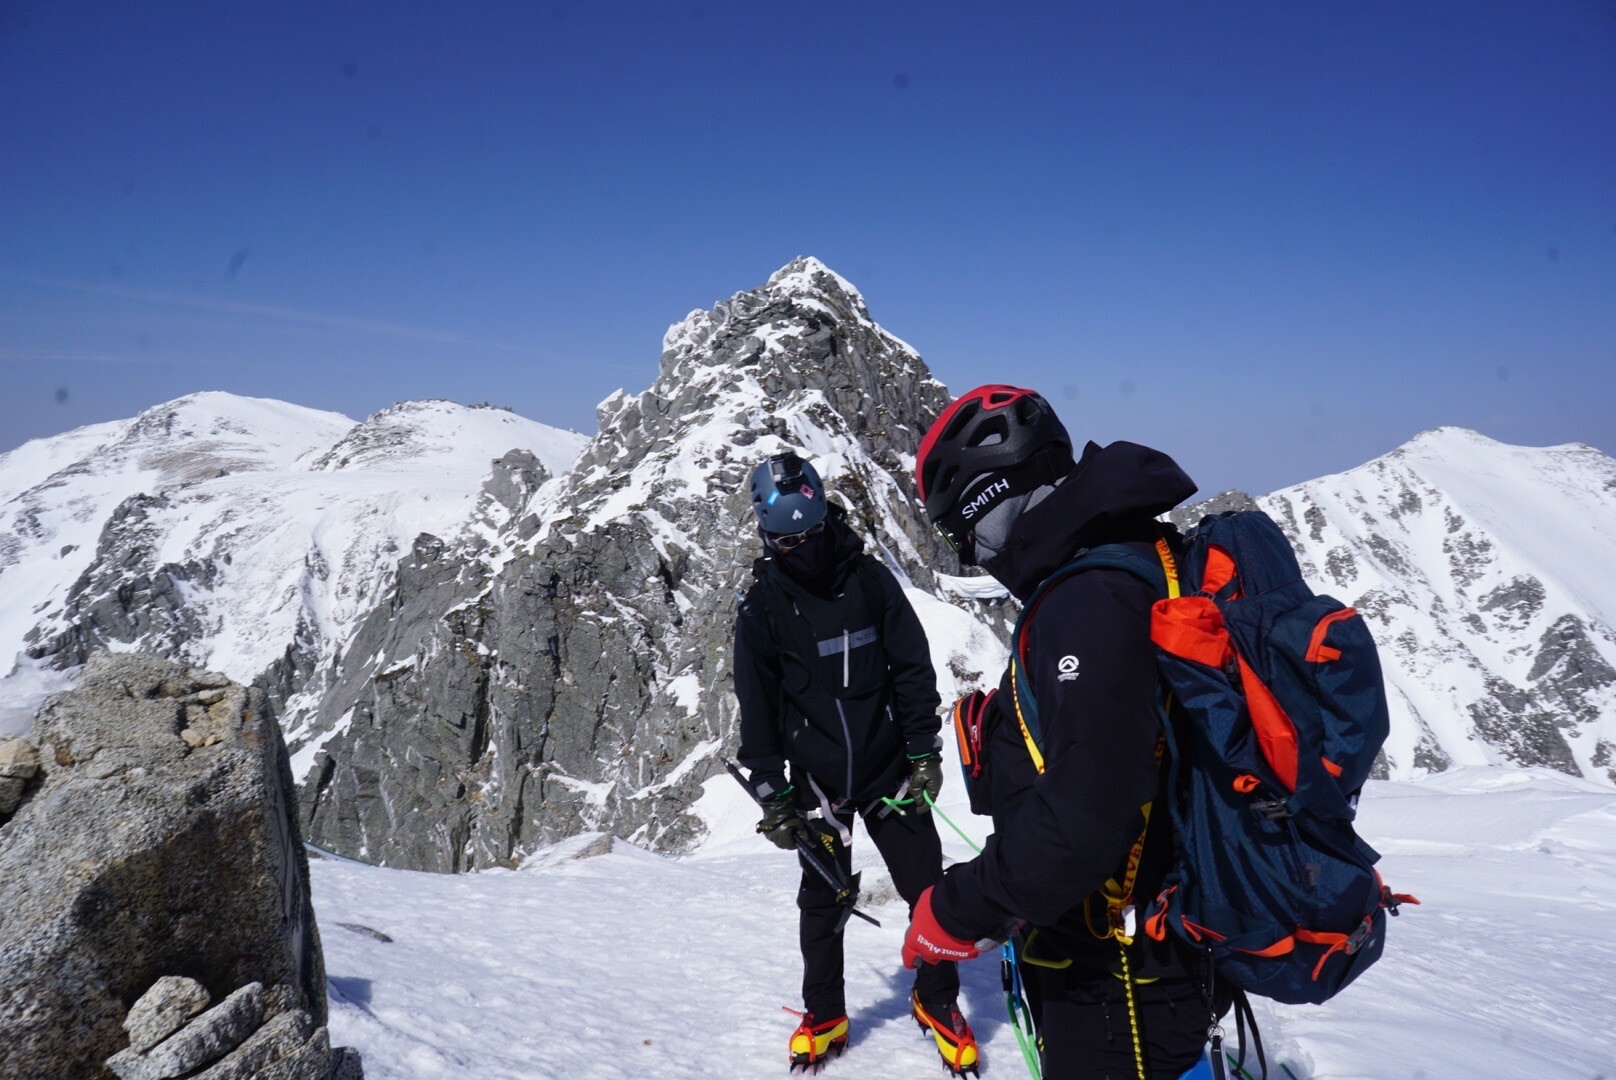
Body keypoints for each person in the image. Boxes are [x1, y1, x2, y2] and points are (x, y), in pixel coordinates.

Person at [900, 385, 1230, 1079]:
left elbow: (1085, 818)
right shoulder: (1138, 555)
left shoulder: (1089, 598)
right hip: (1157, 952)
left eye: (964, 537)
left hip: (1121, 977)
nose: (972, 555)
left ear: (987, 502)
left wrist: (956, 911)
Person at [734, 451, 979, 1075]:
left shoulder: (869, 581)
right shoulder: (761, 608)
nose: (801, 550)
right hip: (817, 785)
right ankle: (825, 1013)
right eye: (786, 541)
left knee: (928, 894)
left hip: (888, 770)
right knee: (823, 902)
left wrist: (923, 750)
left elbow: (911, 670)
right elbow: (757, 710)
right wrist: (772, 794)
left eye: (809, 536)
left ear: (825, 519)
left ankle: (936, 1000)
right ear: (768, 537)